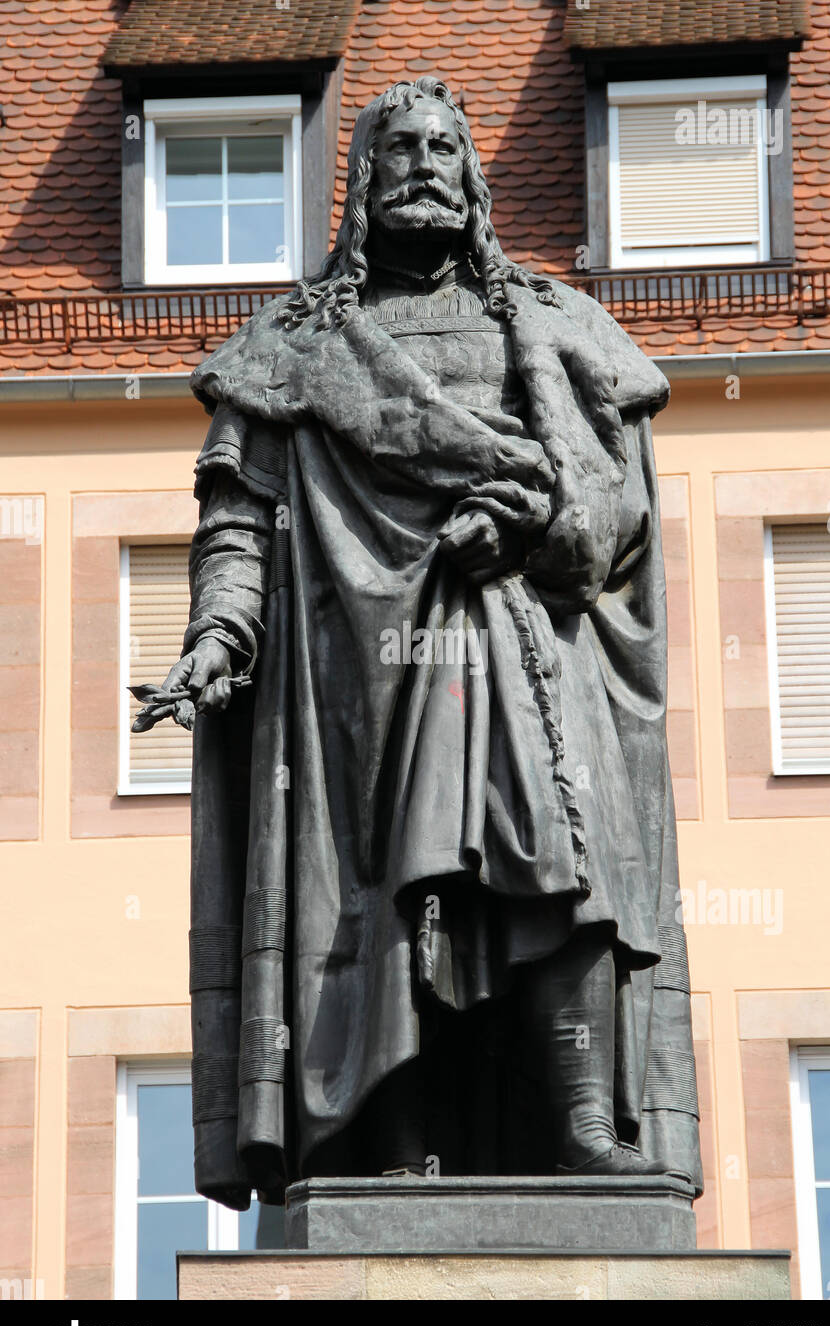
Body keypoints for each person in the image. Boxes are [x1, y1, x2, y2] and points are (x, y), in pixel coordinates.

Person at [142, 77, 702, 1211]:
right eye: (398, 147)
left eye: (446, 145)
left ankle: (585, 1123)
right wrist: (219, 633)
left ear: (476, 178)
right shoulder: (293, 345)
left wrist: (537, 523)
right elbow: (238, 521)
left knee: (567, 860)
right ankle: (389, 1147)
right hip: (363, 678)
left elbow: (622, 509)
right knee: (384, 890)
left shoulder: (552, 323)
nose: (425, 163)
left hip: (533, 649)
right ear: (358, 182)